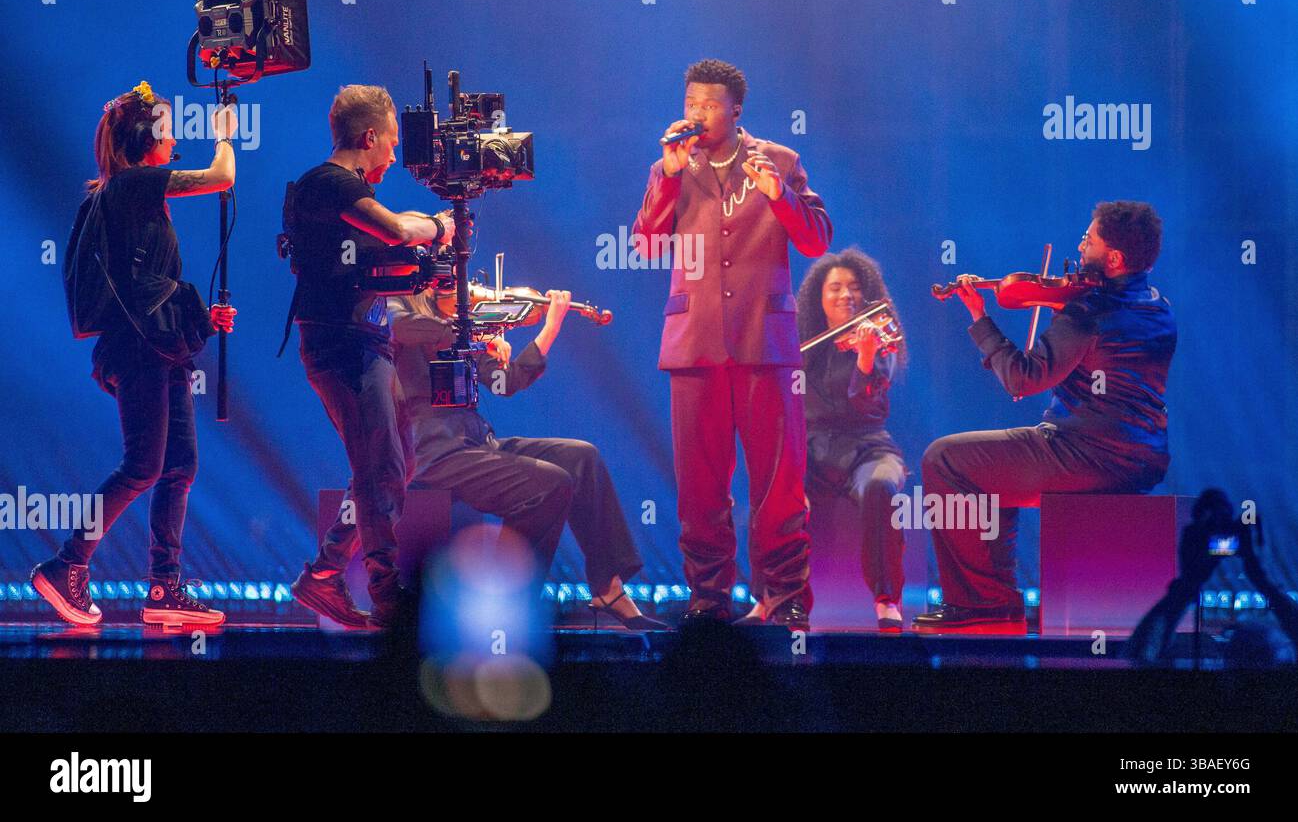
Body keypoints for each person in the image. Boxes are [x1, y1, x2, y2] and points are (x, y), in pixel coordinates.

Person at [312, 286, 666, 630]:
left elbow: (504, 382)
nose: (461, 285)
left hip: (475, 441)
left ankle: (608, 587)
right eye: (448, 271)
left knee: (582, 457)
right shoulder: (394, 305)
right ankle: (509, 599)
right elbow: (403, 327)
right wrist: (471, 333)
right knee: (550, 485)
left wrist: (549, 330)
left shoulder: (460, 320)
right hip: (430, 450)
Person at [633, 59, 832, 631]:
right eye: (691, 102)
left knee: (777, 481)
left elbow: (817, 239)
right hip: (693, 342)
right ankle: (708, 599)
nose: (696, 114)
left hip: (762, 341)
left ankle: (786, 596)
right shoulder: (669, 166)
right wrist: (668, 177)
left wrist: (780, 197)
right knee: (700, 485)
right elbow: (645, 246)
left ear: (736, 110)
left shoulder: (780, 161)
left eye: (710, 105)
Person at [915, 200, 1176, 632]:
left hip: (1083, 454)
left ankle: (983, 603)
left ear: (1113, 259)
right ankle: (993, 600)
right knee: (986, 470)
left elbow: (1022, 379)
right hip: (1142, 460)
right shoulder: (1160, 308)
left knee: (944, 459)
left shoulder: (1087, 312)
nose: (1080, 246)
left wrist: (980, 317)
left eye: (1089, 240)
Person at [32, 81, 237, 627]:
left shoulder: (135, 195)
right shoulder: (132, 185)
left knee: (178, 466)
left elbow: (151, 287)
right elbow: (222, 178)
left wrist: (202, 319)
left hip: (158, 350)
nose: (174, 142)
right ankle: (67, 562)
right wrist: (225, 136)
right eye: (168, 133)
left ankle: (165, 587)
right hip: (139, 352)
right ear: (146, 139)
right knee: (143, 465)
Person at [285, 85, 454, 629]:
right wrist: (441, 225)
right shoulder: (328, 184)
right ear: (370, 137)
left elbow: (390, 223)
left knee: (389, 469)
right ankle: (389, 598)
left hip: (364, 344)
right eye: (393, 143)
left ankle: (325, 574)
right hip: (343, 347)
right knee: (380, 469)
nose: (395, 156)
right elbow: (398, 228)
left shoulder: (343, 192)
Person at [796, 248, 909, 631]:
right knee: (772, 483)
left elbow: (868, 405)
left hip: (868, 447)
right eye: (836, 288)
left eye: (855, 288)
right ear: (819, 298)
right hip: (813, 452)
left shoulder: (880, 339)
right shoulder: (803, 344)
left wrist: (864, 358)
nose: (847, 295)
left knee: (880, 486)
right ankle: (773, 598)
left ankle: (886, 600)